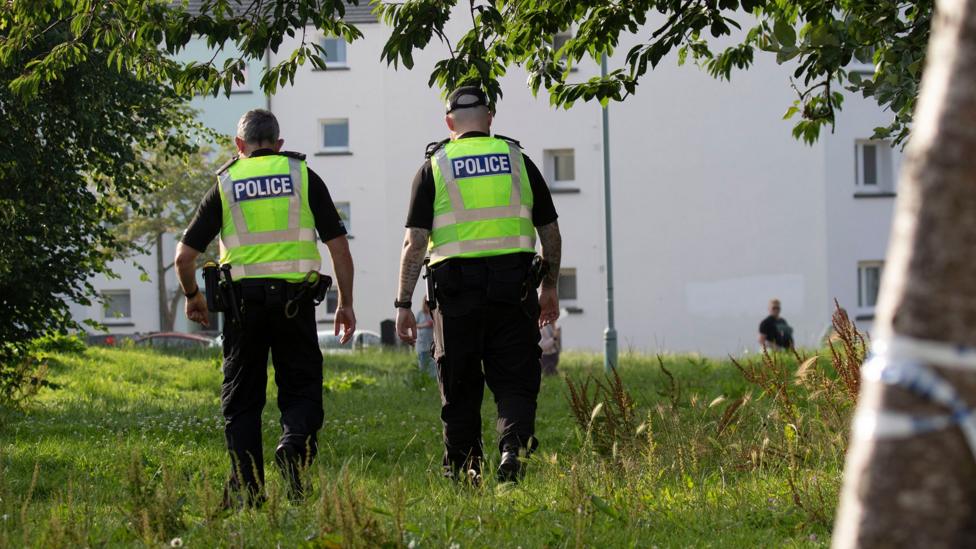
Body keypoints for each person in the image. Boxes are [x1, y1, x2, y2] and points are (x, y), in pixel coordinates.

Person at [174, 109, 356, 505]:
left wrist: (192, 297)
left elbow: (184, 257)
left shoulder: (225, 184)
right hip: (295, 304)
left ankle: (248, 489)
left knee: (242, 399)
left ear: (239, 146)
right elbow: (339, 246)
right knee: (302, 388)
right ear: (278, 144)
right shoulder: (303, 176)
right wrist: (345, 302)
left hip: (242, 309)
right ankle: (292, 447)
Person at [393, 86, 563, 485]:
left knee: (459, 387)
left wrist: (403, 301)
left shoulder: (433, 167)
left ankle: (466, 471)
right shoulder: (518, 160)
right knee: (516, 380)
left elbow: (414, 242)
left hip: (456, 298)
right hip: (514, 290)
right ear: (490, 118)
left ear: (449, 123)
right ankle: (512, 450)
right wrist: (550, 286)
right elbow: (551, 233)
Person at [415, 300, 436, 378]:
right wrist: (426, 325)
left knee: (433, 366)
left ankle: (432, 381)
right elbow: (415, 325)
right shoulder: (420, 314)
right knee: (423, 365)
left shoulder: (434, 312)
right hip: (422, 345)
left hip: (433, 344)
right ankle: (423, 381)